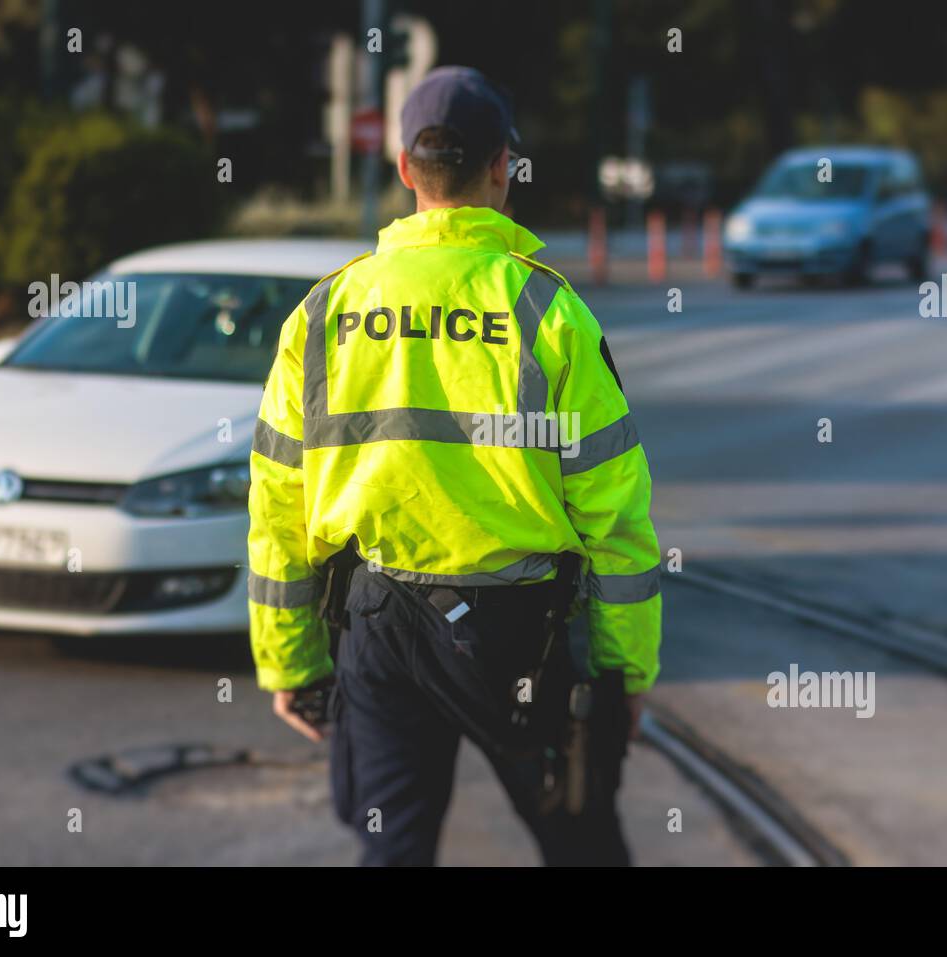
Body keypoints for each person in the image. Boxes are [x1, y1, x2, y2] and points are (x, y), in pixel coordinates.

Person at [247, 65, 661, 866]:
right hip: (518, 641)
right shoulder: (548, 311)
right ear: (504, 166)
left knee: (393, 848)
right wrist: (622, 673)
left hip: (375, 626)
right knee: (581, 839)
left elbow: (276, 507)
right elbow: (616, 514)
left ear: (405, 169)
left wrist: (290, 661)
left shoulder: (325, 311)